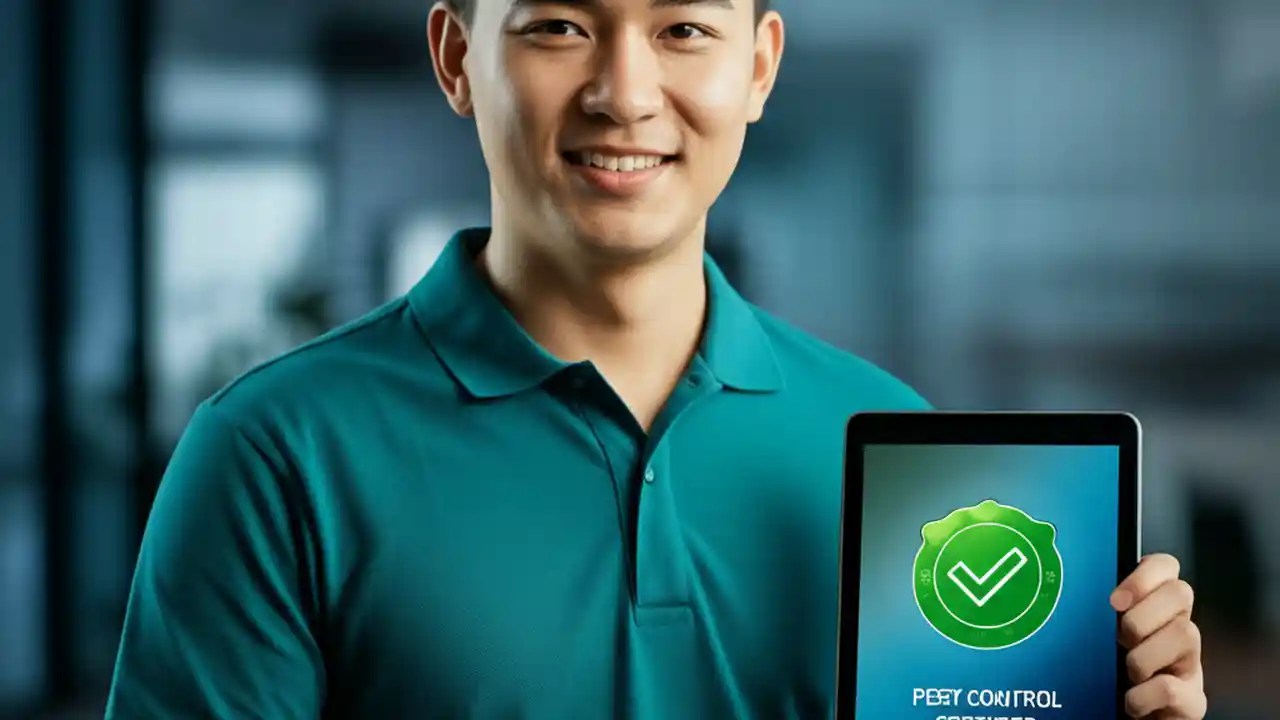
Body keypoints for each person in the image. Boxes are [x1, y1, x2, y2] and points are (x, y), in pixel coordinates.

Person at [105, 0, 1207, 717]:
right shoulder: (273, 453)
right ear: (455, 56)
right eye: (554, 27)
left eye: (682, 30)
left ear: (759, 67)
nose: (624, 93)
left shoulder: (895, 440)